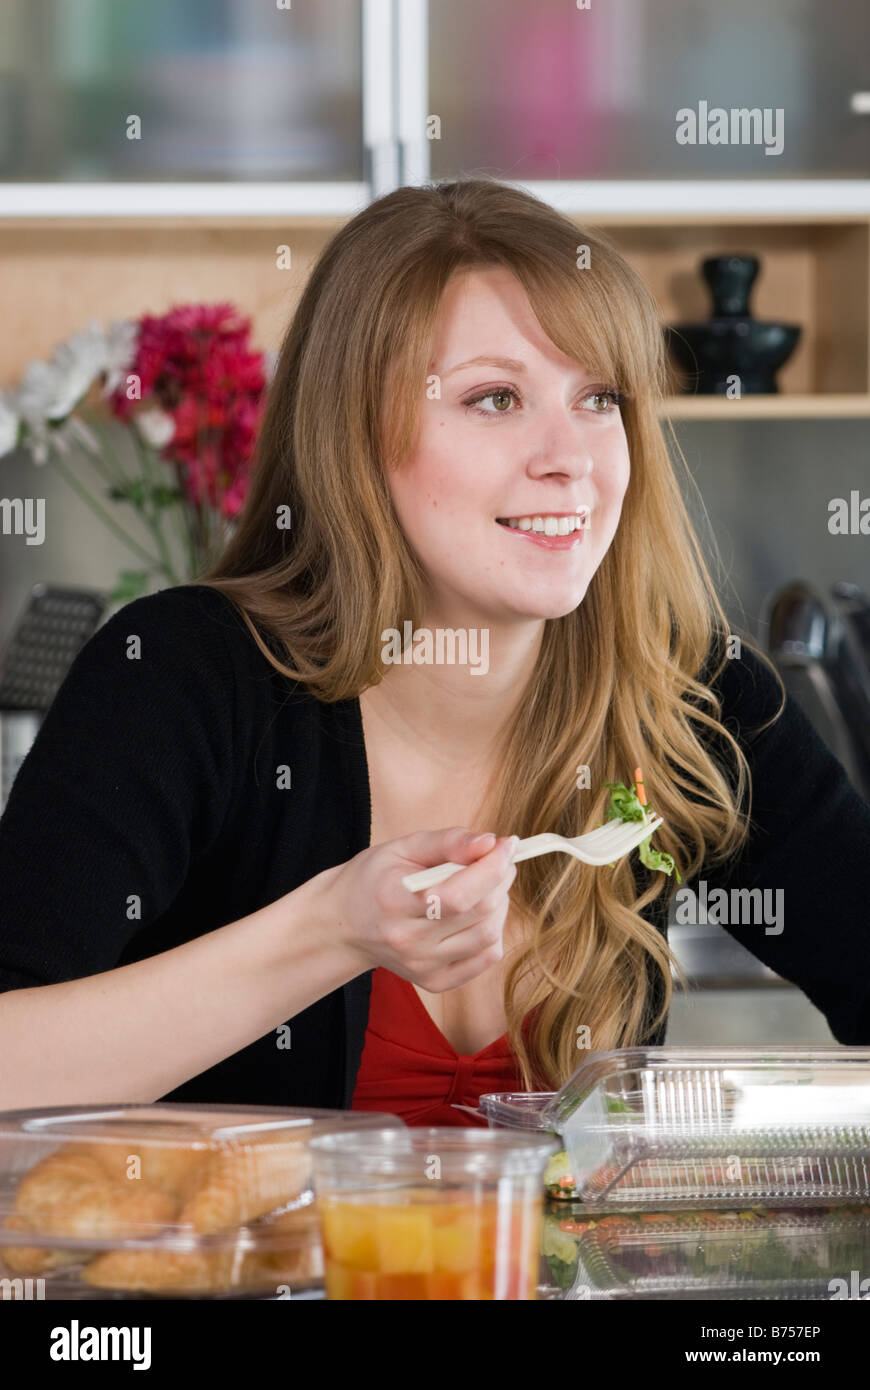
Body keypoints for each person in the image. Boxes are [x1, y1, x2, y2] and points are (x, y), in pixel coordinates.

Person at [1, 177, 868, 1124]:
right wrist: (334, 930)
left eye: (598, 398)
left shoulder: (687, 692)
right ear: (357, 437)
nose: (569, 457)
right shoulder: (181, 677)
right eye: (495, 398)